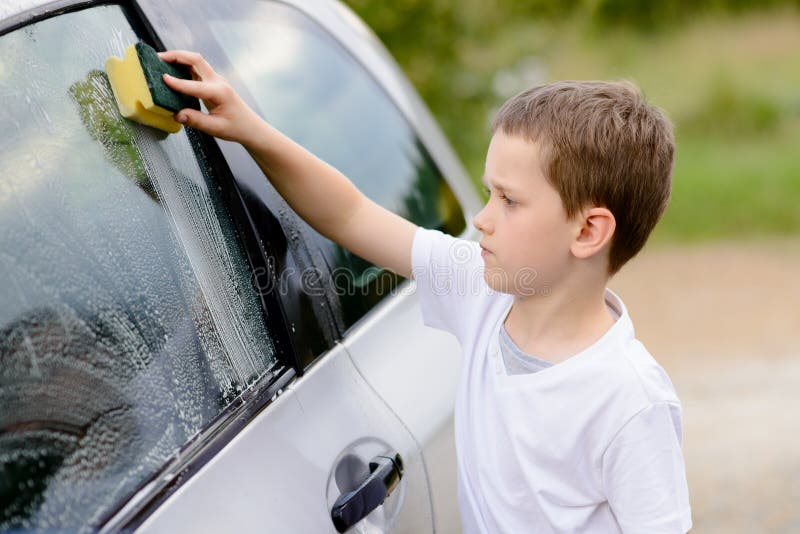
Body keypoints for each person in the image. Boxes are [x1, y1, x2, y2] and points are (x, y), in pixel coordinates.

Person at [159, 49, 692, 533]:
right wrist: (251, 130)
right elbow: (351, 214)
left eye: (509, 200)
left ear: (587, 232)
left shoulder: (629, 399)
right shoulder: (484, 292)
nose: (481, 219)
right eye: (489, 193)